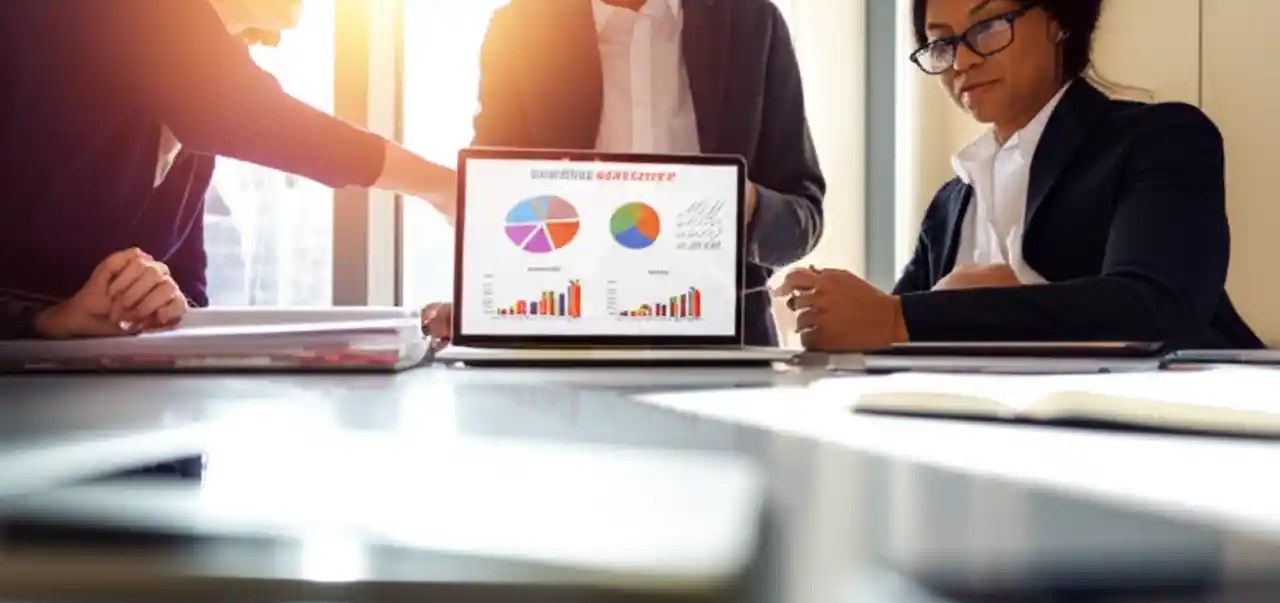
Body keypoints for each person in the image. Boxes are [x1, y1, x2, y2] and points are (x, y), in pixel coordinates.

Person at [776, 0, 1262, 351]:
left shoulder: (1160, 139)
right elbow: (892, 329)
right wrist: (835, 312)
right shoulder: (952, 201)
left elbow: (1155, 309)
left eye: (987, 26)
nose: (961, 60)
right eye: (941, 41)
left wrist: (906, 318)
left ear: (1058, 19)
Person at [0, 0, 456, 340]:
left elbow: (187, 290)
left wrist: (161, 303)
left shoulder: (180, 115)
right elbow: (230, 109)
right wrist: (443, 187)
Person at [422, 0, 826, 347]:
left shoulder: (753, 22)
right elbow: (494, 202)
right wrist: (485, 305)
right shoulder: (521, 27)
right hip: (558, 349)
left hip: (728, 354)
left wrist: (747, 204)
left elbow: (803, 218)